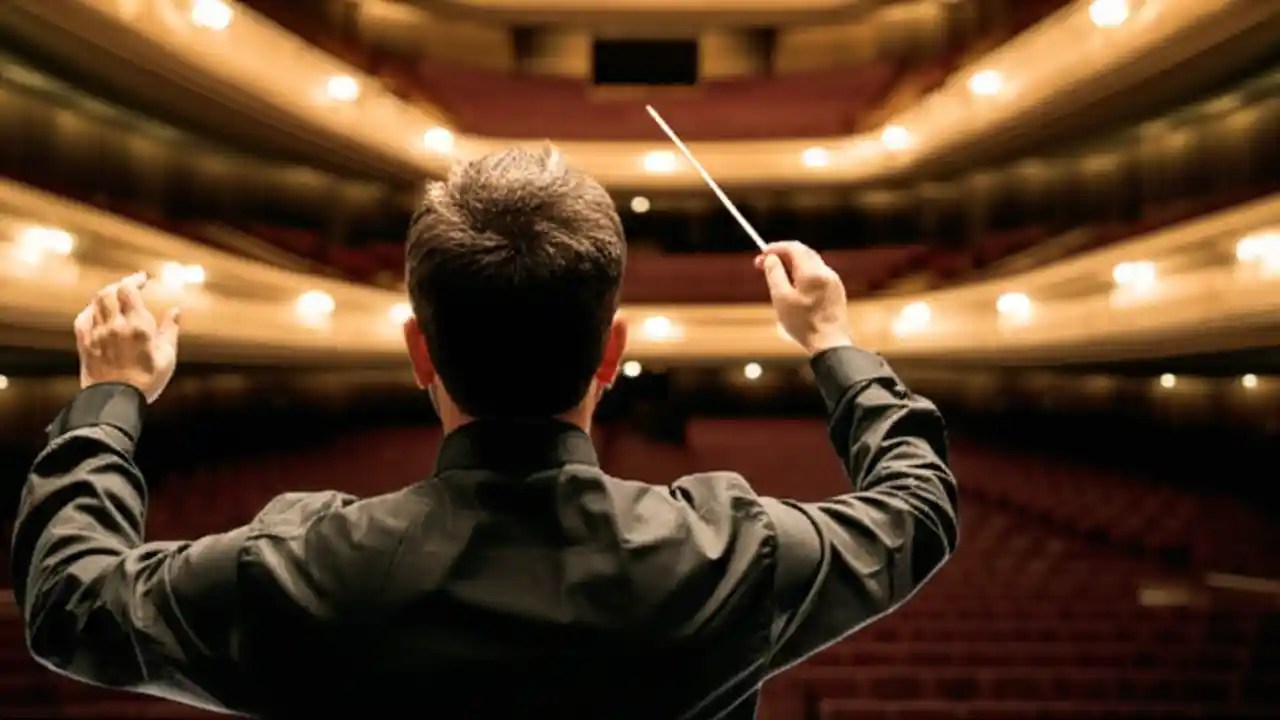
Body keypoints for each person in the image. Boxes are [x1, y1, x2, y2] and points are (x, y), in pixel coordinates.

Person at [10, 147, 958, 719]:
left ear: (419, 352)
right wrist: (832, 342)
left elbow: (68, 603)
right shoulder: (727, 554)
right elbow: (917, 509)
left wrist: (113, 396)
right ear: (611, 353)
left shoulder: (302, 568)